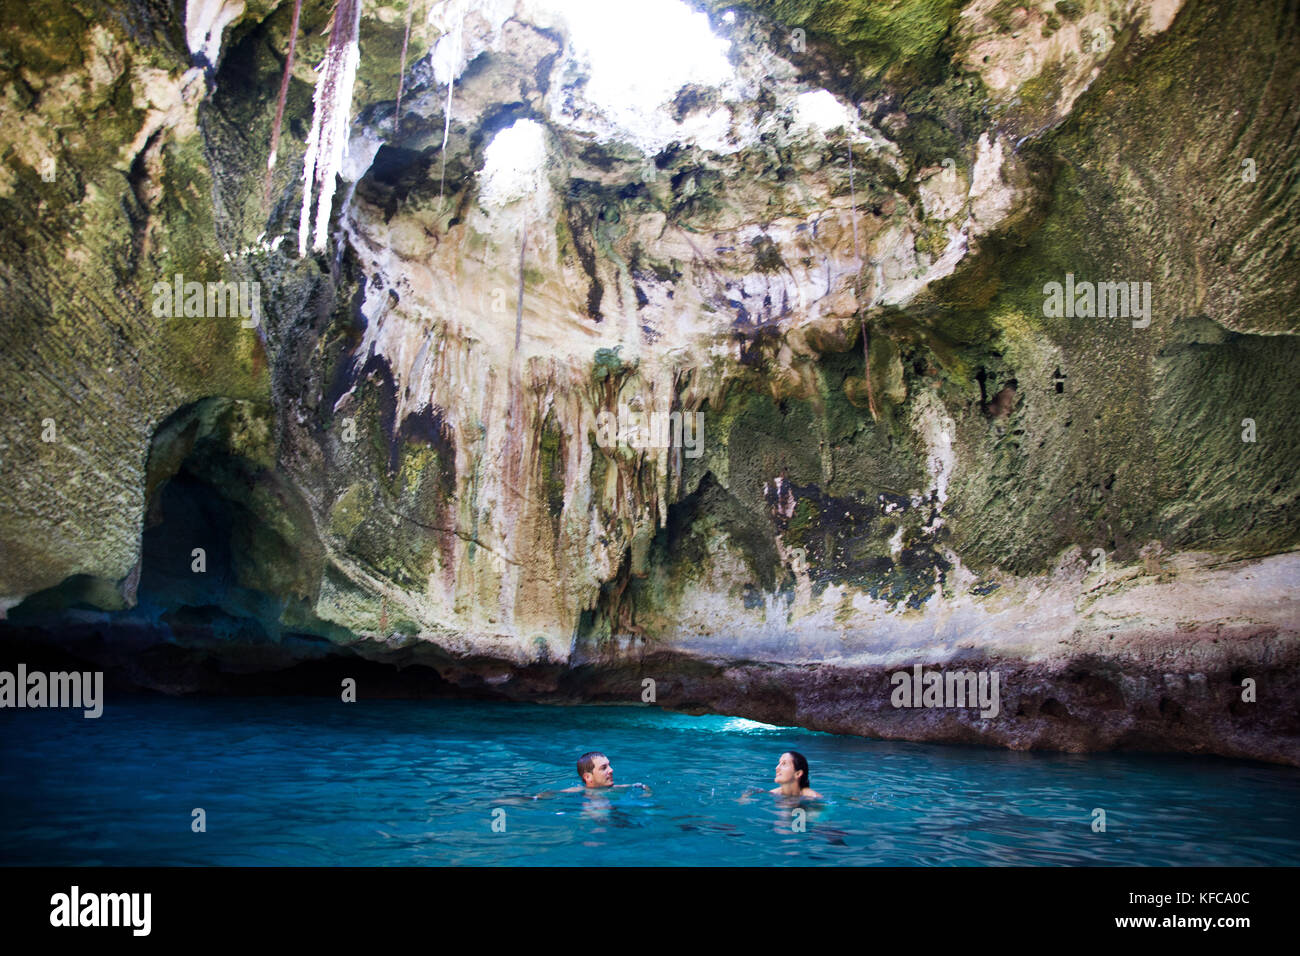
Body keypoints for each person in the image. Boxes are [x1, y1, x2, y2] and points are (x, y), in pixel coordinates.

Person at [535, 751, 650, 797]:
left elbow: (641, 786)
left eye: (609, 765)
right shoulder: (580, 791)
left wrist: (647, 792)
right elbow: (551, 794)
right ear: (588, 777)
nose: (611, 770)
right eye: (604, 768)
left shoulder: (616, 788)